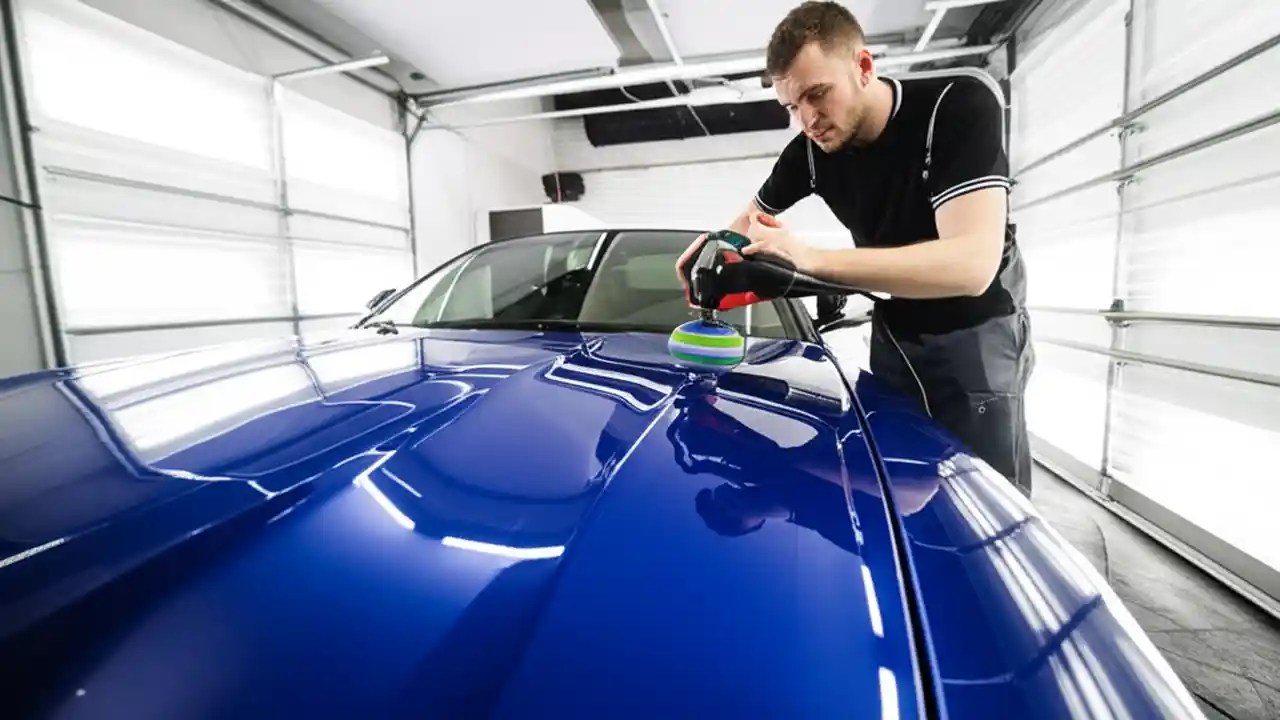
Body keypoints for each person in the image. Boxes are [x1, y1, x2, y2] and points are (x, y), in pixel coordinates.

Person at [675, 1, 1035, 497]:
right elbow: (746, 225)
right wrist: (713, 248)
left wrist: (809, 259)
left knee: (985, 497)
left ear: (863, 67)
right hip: (896, 327)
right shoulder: (810, 153)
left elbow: (972, 265)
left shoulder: (955, 107)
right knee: (897, 482)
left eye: (817, 94)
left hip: (978, 333)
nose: (807, 120)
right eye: (792, 107)